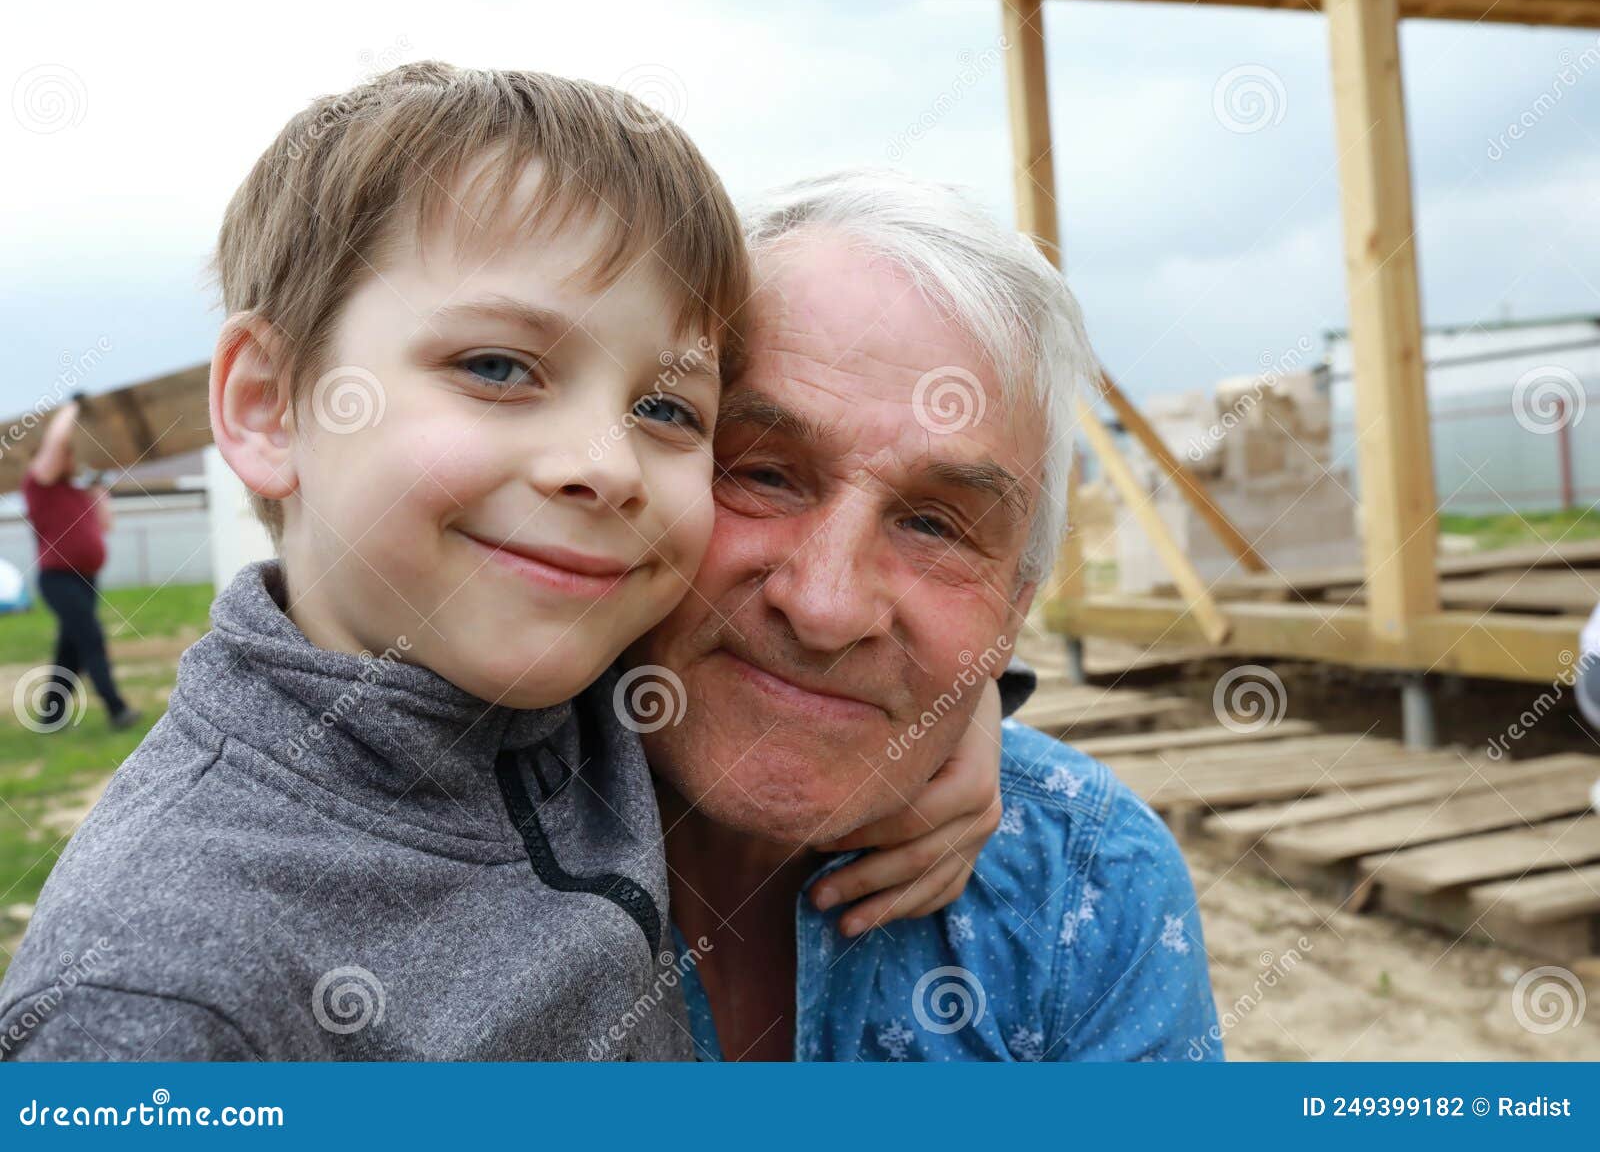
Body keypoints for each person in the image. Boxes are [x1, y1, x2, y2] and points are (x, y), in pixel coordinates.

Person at [0, 64, 1000, 1061]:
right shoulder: (156, 984)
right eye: (497, 367)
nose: (606, 469)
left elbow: (807, 658)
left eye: (664, 409)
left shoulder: (581, 689)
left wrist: (971, 725)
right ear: (268, 403)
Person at [634, 170, 1224, 1060]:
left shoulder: (1085, 886)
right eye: (762, 471)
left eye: (933, 525)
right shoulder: (436, 794)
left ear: (1017, 607)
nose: (826, 606)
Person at [20, 397, 141, 730]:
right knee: (91, 640)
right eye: (67, 454)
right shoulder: (38, 485)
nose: (70, 457)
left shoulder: (75, 492)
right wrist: (72, 407)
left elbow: (106, 525)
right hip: (58, 579)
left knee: (70, 650)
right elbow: (57, 442)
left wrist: (100, 488)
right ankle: (117, 710)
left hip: (85, 579)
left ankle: (51, 714)